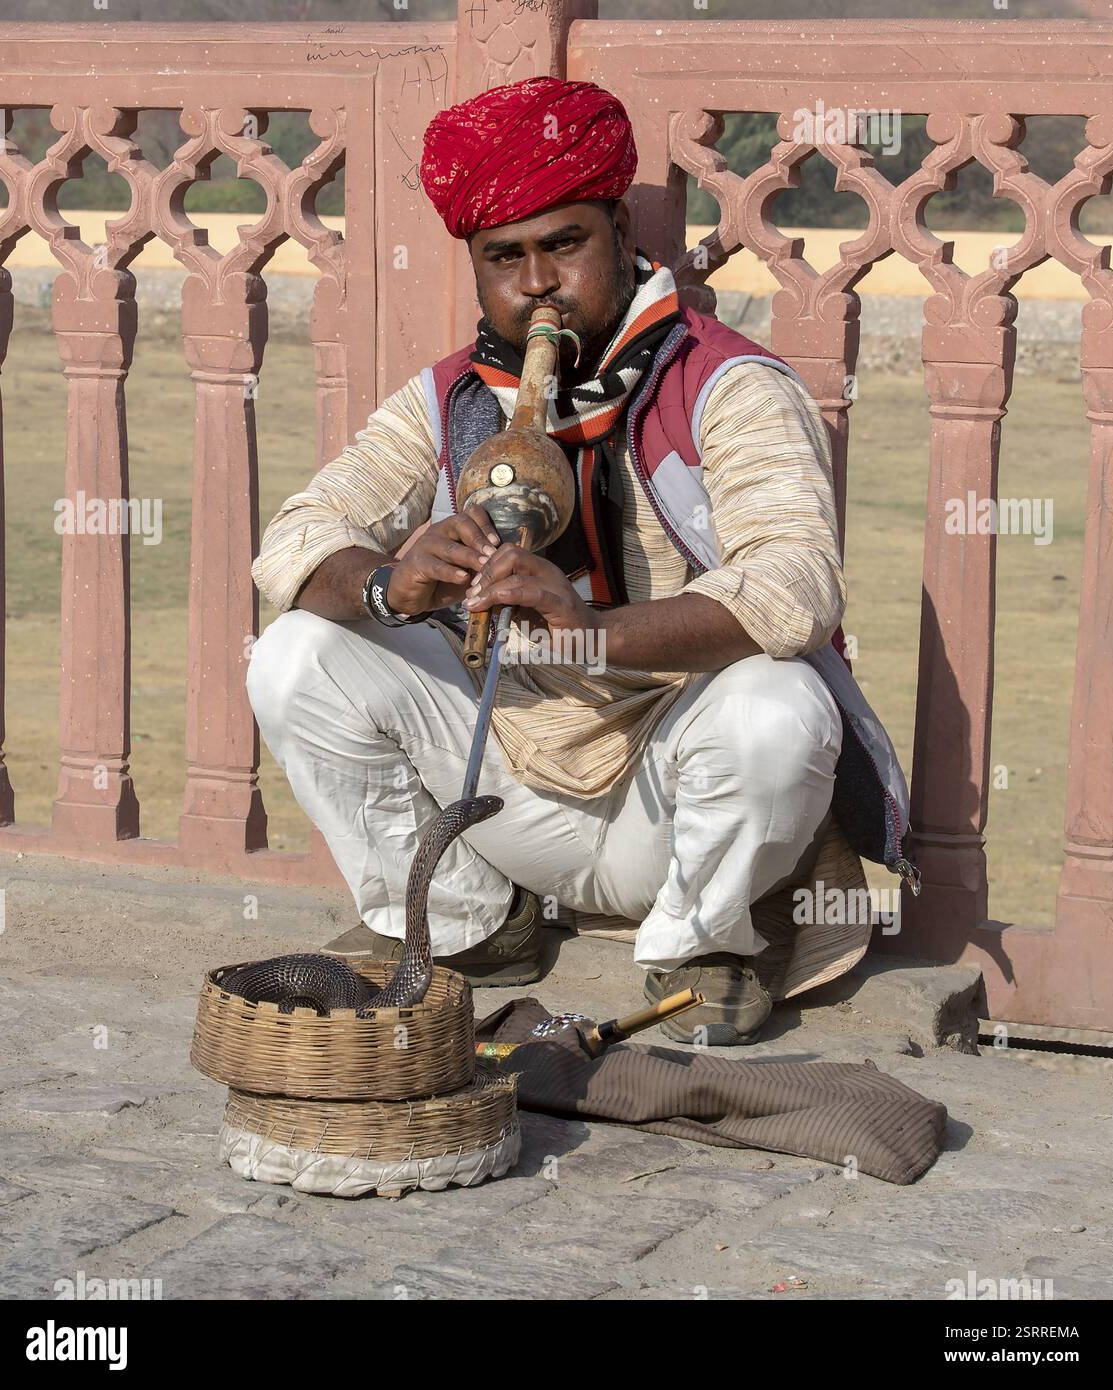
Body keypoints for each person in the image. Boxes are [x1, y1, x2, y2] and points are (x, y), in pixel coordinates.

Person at [247, 76, 909, 1047]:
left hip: (678, 793)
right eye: (503, 258)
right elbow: (298, 537)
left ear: (617, 230)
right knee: (295, 651)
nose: (538, 285)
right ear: (476, 267)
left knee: (779, 704)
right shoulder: (446, 399)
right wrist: (388, 582)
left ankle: (698, 940)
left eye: (564, 245)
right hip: (503, 795)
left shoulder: (726, 383)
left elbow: (793, 587)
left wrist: (593, 631)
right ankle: (471, 921)